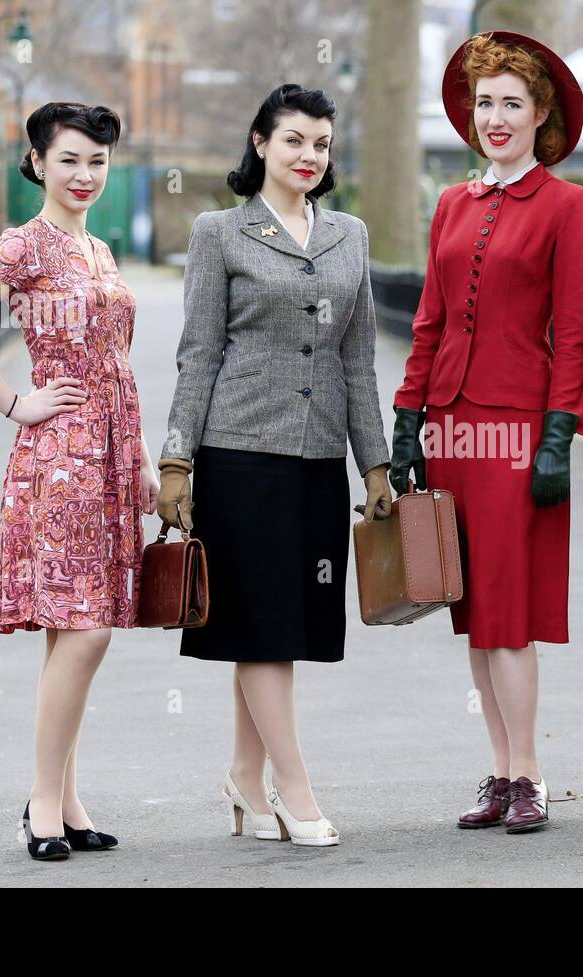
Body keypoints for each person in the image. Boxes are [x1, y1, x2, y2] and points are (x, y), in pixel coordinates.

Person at [156, 84, 392, 848]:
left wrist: (377, 467)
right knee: (260, 629)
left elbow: (359, 363)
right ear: (260, 143)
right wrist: (176, 460)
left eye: (321, 144)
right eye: (293, 140)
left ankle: (243, 777)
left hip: (319, 458)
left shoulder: (351, 236)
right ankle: (295, 788)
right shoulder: (220, 232)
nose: (308, 156)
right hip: (239, 454)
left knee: (280, 628)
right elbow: (199, 354)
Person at [390, 31, 583, 834]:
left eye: (513, 103)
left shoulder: (568, 206)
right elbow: (430, 320)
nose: (497, 117)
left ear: (540, 114)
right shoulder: (452, 203)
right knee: (472, 608)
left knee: (508, 611)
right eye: (485, 104)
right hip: (449, 425)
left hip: (517, 431)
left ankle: (531, 777)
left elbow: (577, 336)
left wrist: (558, 437)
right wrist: (408, 421)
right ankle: (499, 769)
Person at [0, 102, 149, 859]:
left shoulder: (102, 250)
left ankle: (69, 800)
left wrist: (143, 459)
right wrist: (19, 403)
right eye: (70, 160)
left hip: (113, 459)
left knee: (74, 635)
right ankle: (42, 805)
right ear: (37, 161)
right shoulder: (24, 246)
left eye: (97, 162)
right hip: (59, 461)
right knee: (85, 631)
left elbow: (118, 363)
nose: (85, 175)